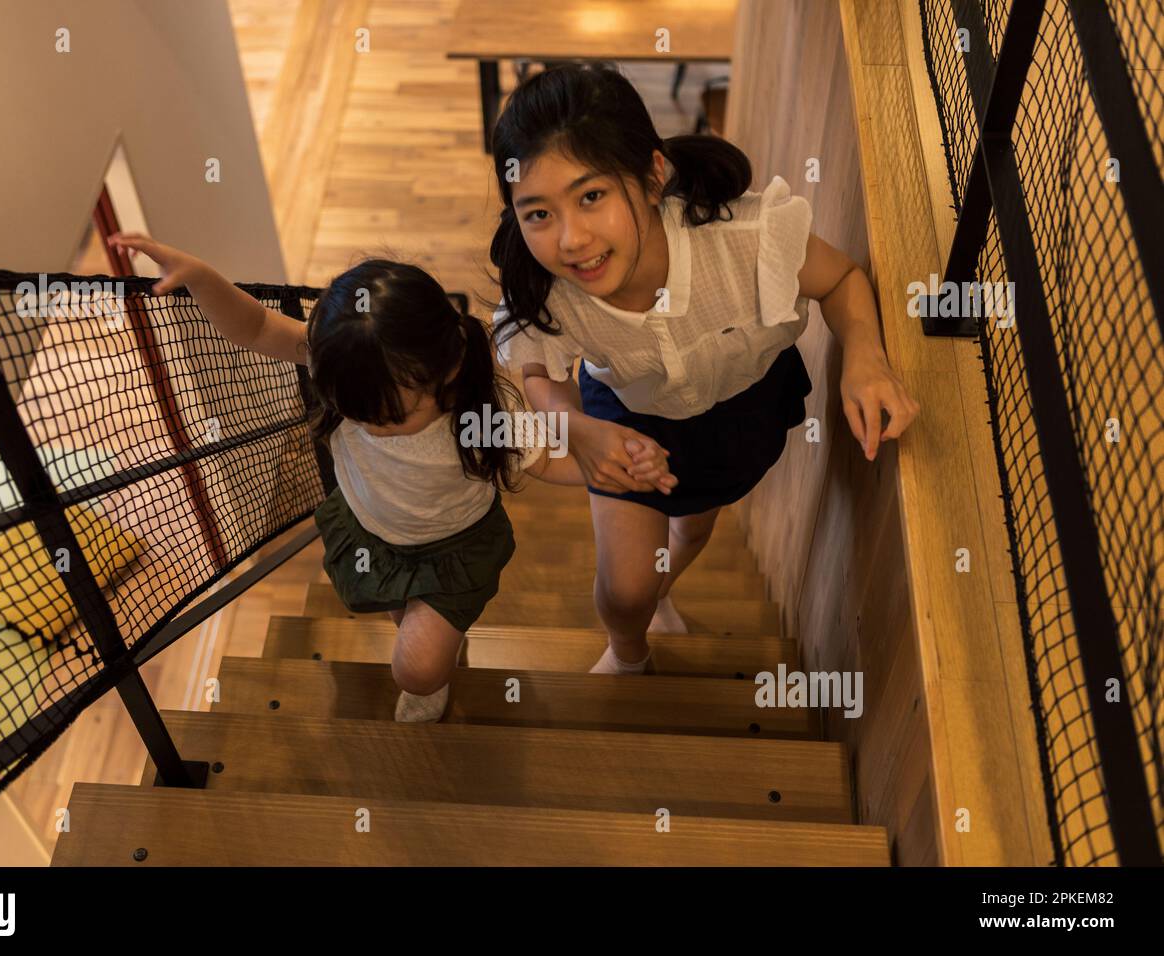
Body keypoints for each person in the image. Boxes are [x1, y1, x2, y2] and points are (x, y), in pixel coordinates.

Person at [105, 234, 675, 719]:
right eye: (355, 413)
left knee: (415, 668)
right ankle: (441, 653)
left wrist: (613, 470)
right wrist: (201, 278)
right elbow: (254, 326)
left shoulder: (482, 410)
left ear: (447, 371)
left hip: (453, 552)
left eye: (390, 416)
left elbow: (549, 460)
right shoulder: (350, 366)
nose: (370, 427)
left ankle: (433, 672)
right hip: (375, 536)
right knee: (405, 619)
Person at [488, 63, 920, 675]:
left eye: (591, 197)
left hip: (742, 412)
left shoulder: (746, 238)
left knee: (690, 533)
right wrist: (576, 428)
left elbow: (841, 278)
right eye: (538, 214)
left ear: (652, 175)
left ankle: (662, 594)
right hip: (625, 417)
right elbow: (539, 372)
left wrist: (866, 358)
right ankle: (628, 654)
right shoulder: (544, 291)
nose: (571, 240)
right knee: (625, 589)